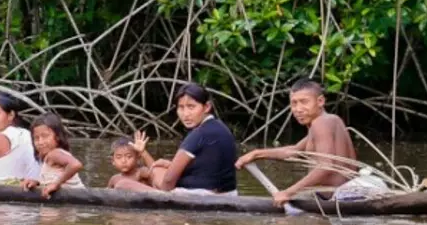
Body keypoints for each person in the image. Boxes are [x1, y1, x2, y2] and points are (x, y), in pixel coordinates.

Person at [235, 78, 358, 206]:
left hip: (333, 201)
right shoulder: (331, 120)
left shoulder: (321, 123)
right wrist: (256, 154)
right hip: (335, 197)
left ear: (320, 101)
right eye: (294, 103)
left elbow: (325, 167)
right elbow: (293, 151)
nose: (298, 109)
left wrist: (288, 193)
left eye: (304, 102)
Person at [112, 83, 238, 195]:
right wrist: (168, 165)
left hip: (201, 195)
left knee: (122, 184)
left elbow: (168, 181)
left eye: (191, 107)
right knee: (158, 168)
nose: (185, 114)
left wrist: (162, 195)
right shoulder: (220, 127)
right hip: (229, 192)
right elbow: (208, 166)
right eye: (181, 107)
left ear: (206, 107)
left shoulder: (198, 134)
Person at [22, 113, 85, 198]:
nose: (40, 142)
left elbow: (76, 165)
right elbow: (52, 177)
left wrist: (56, 184)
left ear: (57, 136)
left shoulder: (54, 154)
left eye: (45, 136)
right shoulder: (48, 157)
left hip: (74, 201)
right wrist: (38, 183)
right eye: (36, 138)